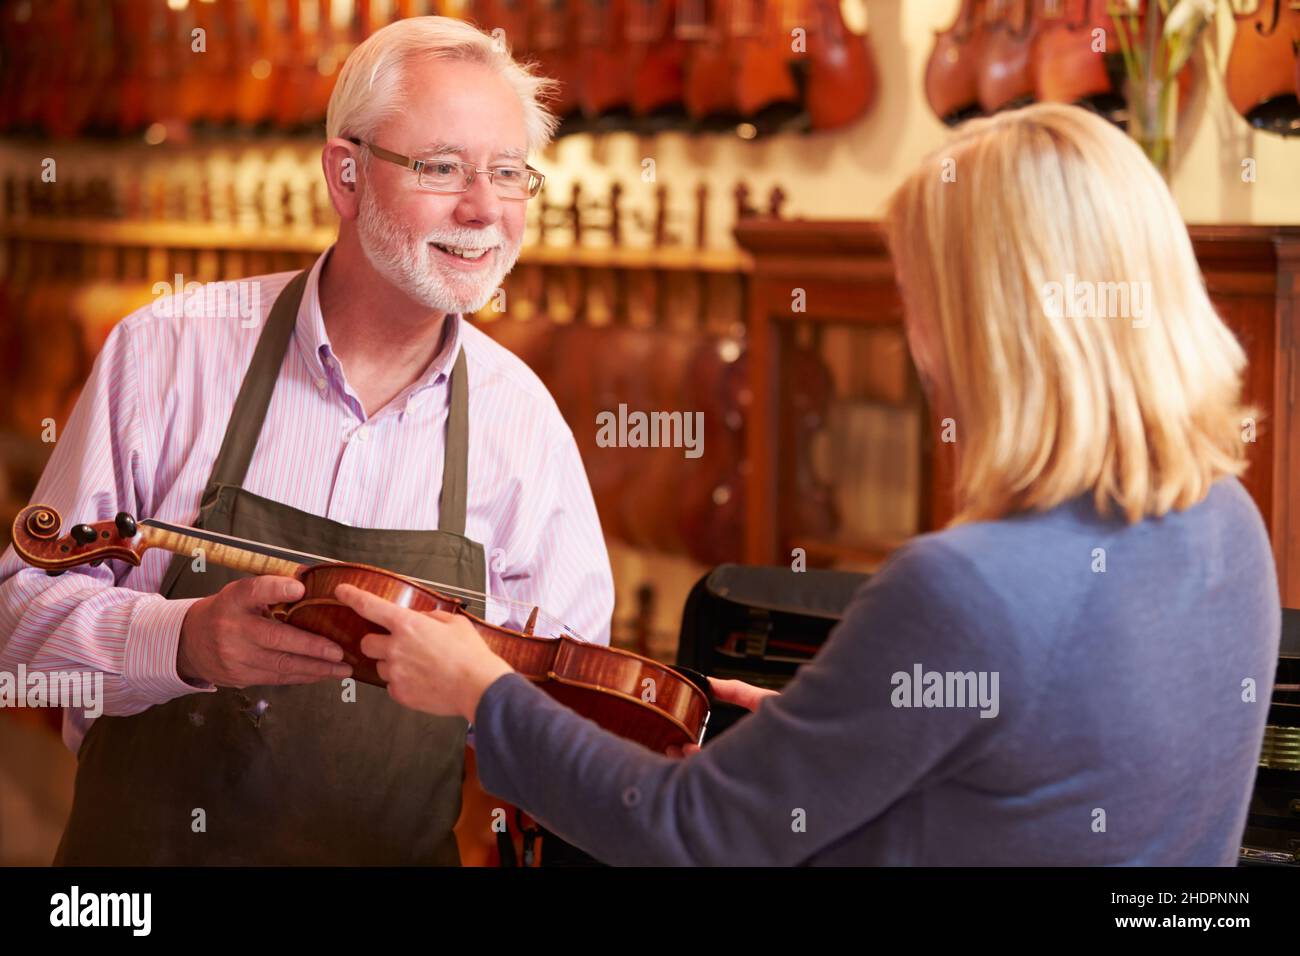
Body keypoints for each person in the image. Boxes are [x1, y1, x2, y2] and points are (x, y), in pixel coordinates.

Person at [334, 103, 1282, 865]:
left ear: (984, 325)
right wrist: (841, 735)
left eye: (917, 298)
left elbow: (689, 832)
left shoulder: (964, 585)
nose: (919, 344)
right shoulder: (1228, 520)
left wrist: (483, 690)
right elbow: (1054, 768)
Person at [0, 16, 613, 865]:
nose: (482, 208)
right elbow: (18, 639)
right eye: (440, 167)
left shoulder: (527, 425)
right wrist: (181, 640)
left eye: (508, 173)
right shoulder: (166, 352)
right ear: (347, 175)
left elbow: (567, 737)